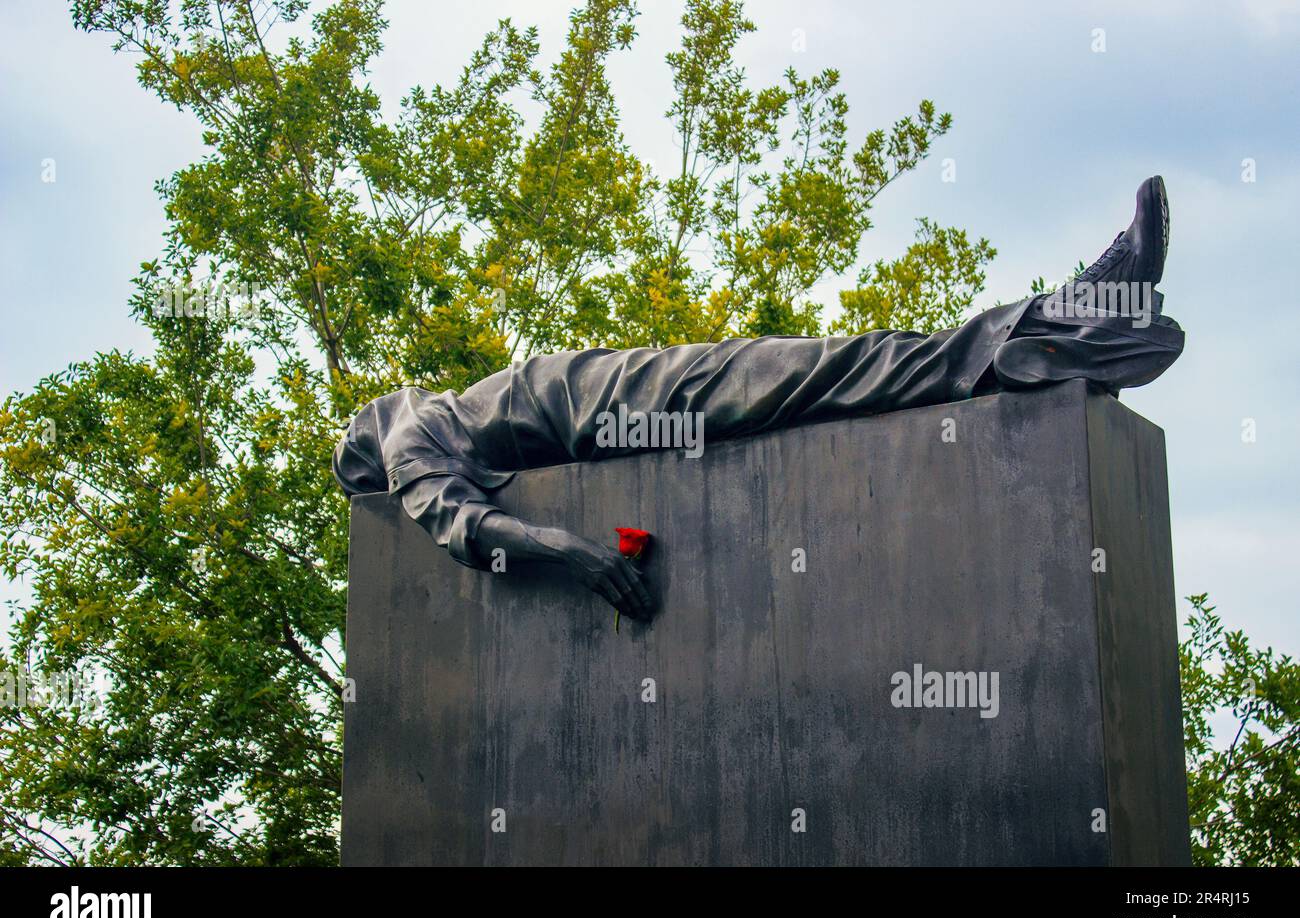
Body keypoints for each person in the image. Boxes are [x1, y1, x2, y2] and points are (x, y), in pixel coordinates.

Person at [333, 176, 1183, 623]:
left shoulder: (430, 414)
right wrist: (578, 553)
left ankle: (1044, 339)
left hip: (626, 387)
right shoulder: (407, 434)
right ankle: (1062, 322)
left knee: (837, 369)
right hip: (624, 407)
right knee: (835, 371)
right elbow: (468, 533)